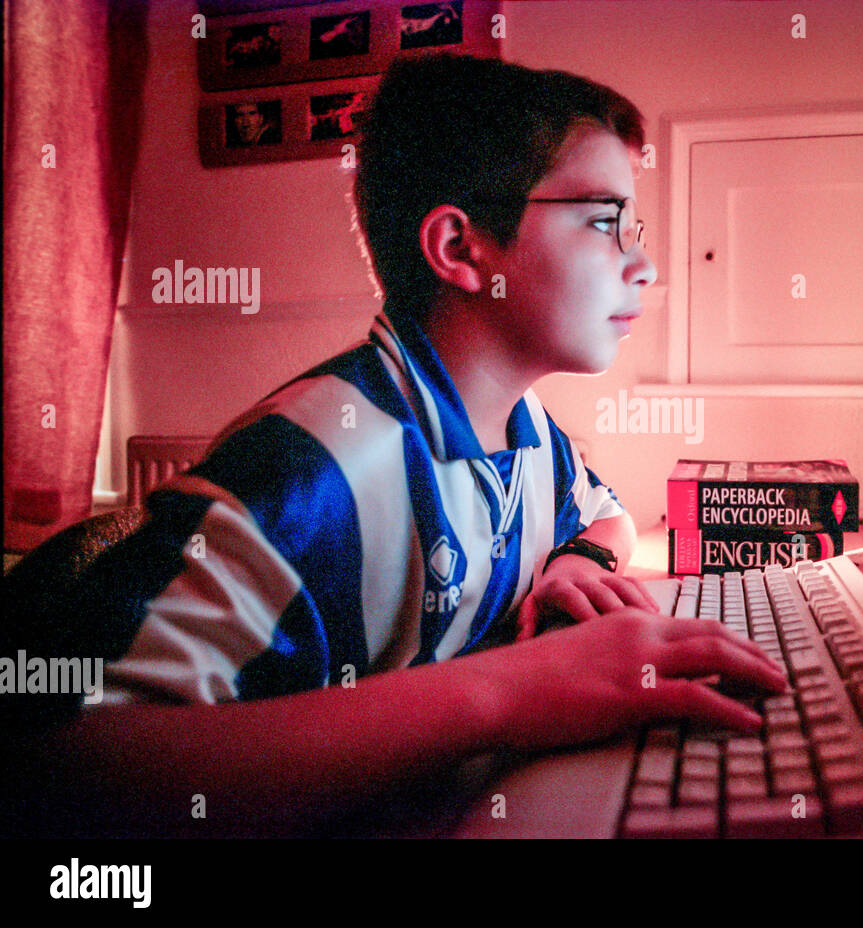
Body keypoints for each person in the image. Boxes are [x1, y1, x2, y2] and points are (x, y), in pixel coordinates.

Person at [1, 54, 785, 837]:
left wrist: (579, 565)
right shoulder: (314, 467)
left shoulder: (528, 431)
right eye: (604, 221)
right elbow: (65, 770)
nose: (644, 264)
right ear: (461, 248)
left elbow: (606, 516)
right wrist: (512, 690)